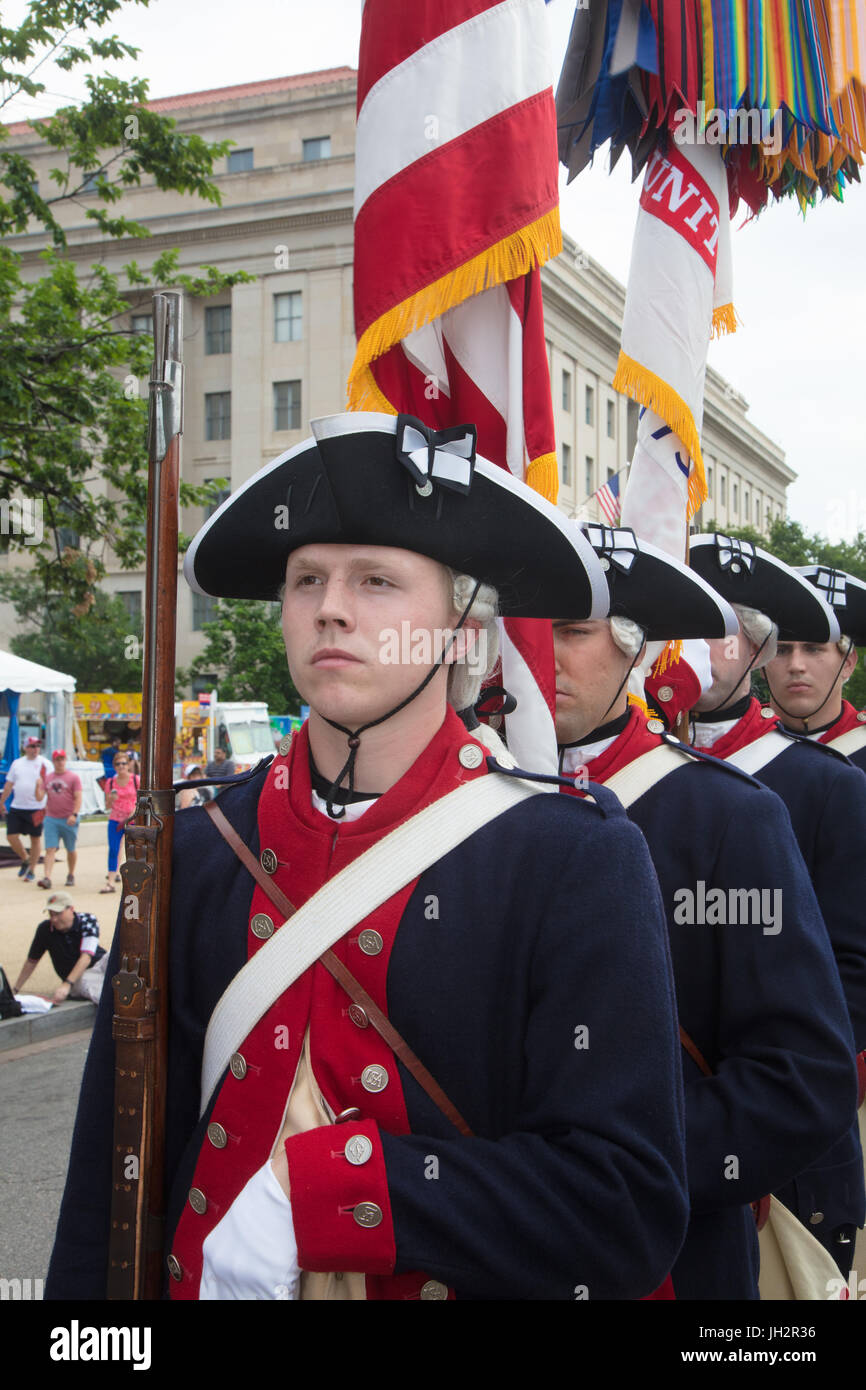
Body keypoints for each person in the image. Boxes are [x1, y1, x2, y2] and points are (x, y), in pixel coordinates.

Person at [46, 411, 690, 1302]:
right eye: (306, 579)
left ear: (464, 620)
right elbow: (106, 1181)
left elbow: (623, 1203)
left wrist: (328, 1196)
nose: (330, 607)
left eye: (376, 580)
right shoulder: (199, 849)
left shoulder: (571, 859)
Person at [553, 524, 860, 1299]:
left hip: (706, 1210)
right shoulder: (498, 789)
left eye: (572, 629)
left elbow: (822, 1019)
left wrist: (621, 1160)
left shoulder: (761, 803)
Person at [688, 533, 866, 1276]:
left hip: (776, 1136)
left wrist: (760, 1108)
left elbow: (850, 977)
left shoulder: (830, 785)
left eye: (718, 629)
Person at [767, 565, 866, 774]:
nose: (796, 666)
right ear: (760, 661)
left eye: (813, 649)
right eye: (782, 650)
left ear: (848, 663)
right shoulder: (734, 743)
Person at [13, 891, 108, 1006]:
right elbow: (32, 961)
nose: (54, 919)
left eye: (58, 914)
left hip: (99, 962)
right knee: (102, 993)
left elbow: (86, 957)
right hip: (79, 976)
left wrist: (66, 984)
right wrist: (15, 990)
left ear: (71, 909)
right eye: (51, 914)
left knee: (123, 955)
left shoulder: (87, 920)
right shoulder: (45, 929)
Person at [1, 736, 52, 882]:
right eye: (32, 746)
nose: (35, 749)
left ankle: (32, 869)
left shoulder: (45, 764)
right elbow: (9, 784)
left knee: (35, 839)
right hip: (18, 806)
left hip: (37, 807)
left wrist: (50, 804)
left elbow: (51, 784)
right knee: (11, 836)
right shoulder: (17, 763)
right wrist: (2, 801)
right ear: (25, 748)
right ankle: (25, 858)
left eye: (37, 746)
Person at [35, 749, 82, 889]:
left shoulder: (73, 777)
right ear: (54, 761)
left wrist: (74, 814)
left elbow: (78, 797)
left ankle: (71, 873)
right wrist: (37, 785)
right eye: (57, 759)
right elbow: (39, 797)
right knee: (50, 849)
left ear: (65, 760)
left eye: (62, 759)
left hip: (68, 818)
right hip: (51, 818)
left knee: (70, 849)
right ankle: (47, 877)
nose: (60, 762)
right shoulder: (48, 778)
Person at [101, 752, 140, 894]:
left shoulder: (136, 780)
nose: (121, 766)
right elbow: (106, 806)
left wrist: (133, 813)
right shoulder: (110, 782)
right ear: (114, 766)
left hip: (132, 820)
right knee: (113, 849)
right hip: (115, 819)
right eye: (118, 764)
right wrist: (111, 798)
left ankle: (135, 880)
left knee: (134, 851)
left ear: (128, 764)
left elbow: (142, 800)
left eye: (124, 763)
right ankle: (110, 881)